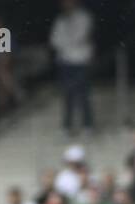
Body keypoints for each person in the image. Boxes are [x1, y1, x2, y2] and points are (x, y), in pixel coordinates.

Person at [49, 0, 94, 134]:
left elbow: (80, 37)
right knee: (67, 95)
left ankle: (88, 125)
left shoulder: (84, 17)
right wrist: (67, 44)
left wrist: (66, 43)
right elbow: (54, 40)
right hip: (65, 62)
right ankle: (67, 126)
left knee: (83, 94)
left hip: (80, 61)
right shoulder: (60, 20)